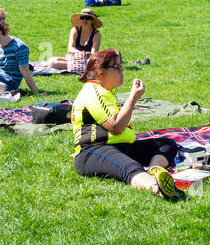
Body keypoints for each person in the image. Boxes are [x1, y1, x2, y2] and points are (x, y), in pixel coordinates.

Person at [71, 49, 179, 200]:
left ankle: (155, 171)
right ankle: (158, 187)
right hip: (94, 150)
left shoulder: (106, 91)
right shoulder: (92, 92)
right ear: (101, 73)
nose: (122, 70)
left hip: (119, 147)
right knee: (129, 167)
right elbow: (115, 127)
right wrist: (133, 98)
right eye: (116, 67)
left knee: (166, 144)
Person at [45, 9, 102, 75]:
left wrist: (86, 54)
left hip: (87, 60)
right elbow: (70, 48)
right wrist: (79, 53)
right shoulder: (75, 30)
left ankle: (76, 68)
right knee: (51, 61)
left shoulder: (96, 35)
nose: (84, 20)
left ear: (92, 21)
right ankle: (78, 68)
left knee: (92, 65)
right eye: (82, 18)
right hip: (74, 58)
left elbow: (94, 54)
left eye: (87, 18)